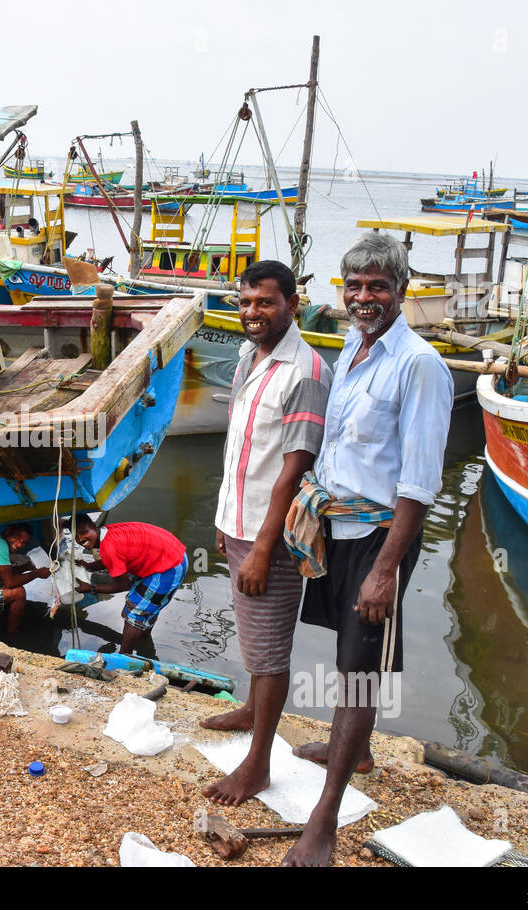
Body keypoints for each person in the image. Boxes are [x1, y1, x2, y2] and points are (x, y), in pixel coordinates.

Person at [280, 233, 453, 867]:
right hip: (338, 525)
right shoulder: (355, 345)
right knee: (347, 650)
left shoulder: (419, 365)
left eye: (377, 286)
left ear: (401, 291)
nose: (363, 297)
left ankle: (324, 818)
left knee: (359, 672)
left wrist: (386, 572)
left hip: (380, 539)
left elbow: (418, 482)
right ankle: (358, 749)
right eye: (353, 286)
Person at [199, 259, 332, 806]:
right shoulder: (247, 359)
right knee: (253, 636)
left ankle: (258, 765)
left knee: (270, 650)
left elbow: (295, 469)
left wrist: (261, 548)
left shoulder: (305, 371)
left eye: (266, 302)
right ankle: (253, 710)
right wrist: (222, 519)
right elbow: (241, 450)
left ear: (292, 305)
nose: (252, 312)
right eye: (246, 301)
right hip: (238, 523)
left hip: (268, 536)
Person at [73, 515, 188, 656]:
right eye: (76, 537)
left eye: (84, 532)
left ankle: (124, 659)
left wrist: (91, 588)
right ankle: (143, 642)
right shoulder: (107, 533)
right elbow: (114, 558)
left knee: (135, 610)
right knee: (147, 607)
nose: (80, 539)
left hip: (169, 566)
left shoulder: (109, 546)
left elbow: (122, 584)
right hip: (171, 555)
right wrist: (90, 567)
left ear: (93, 525)